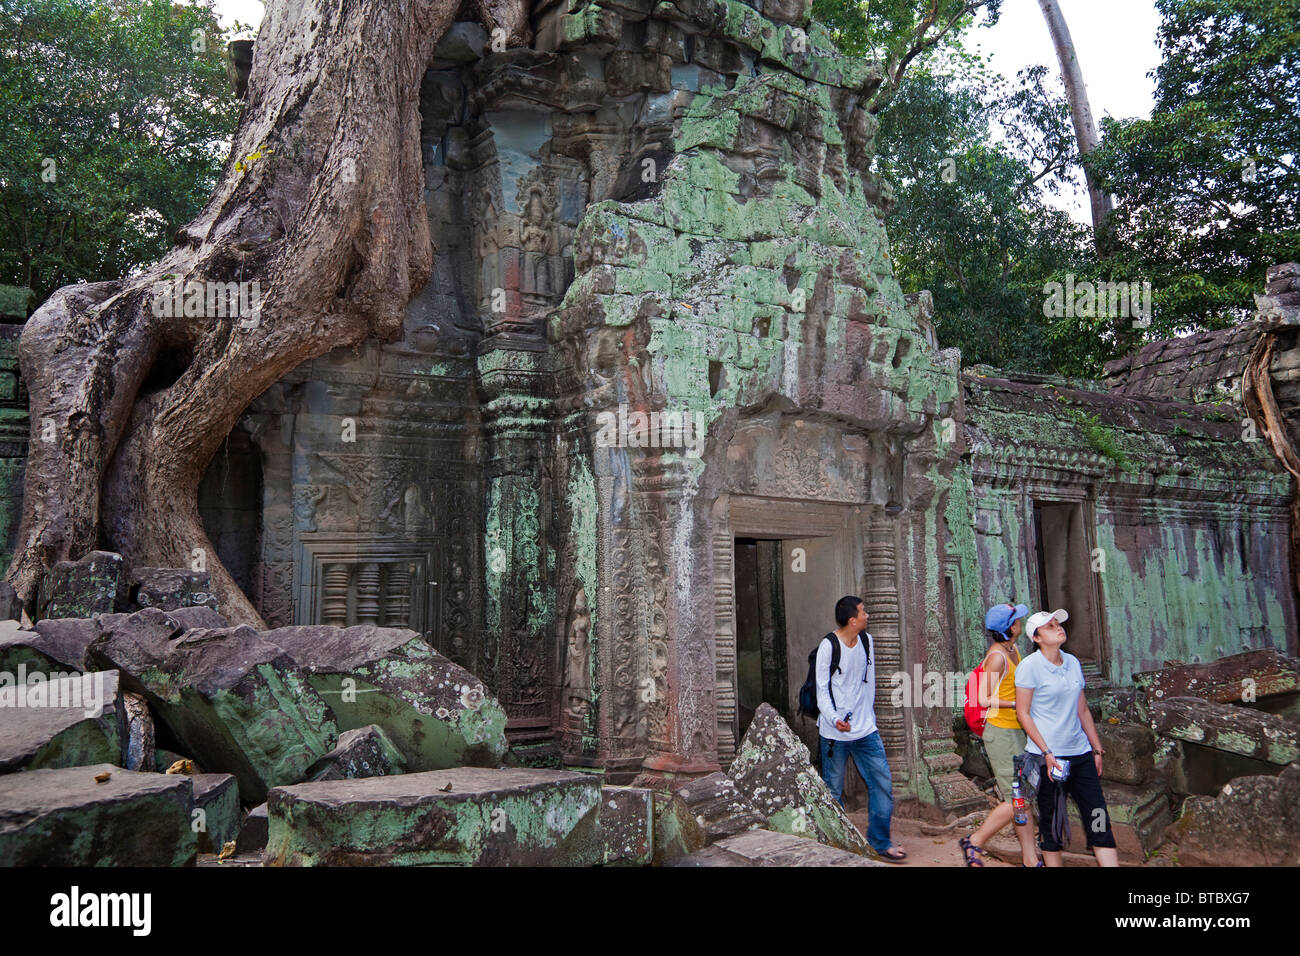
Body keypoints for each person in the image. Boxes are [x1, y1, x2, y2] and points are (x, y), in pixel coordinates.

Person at [1014, 609, 1119, 867]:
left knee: (1097, 814)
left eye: (1057, 623)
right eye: (1049, 626)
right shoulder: (1030, 667)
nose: (1058, 627)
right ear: (1036, 637)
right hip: (1047, 758)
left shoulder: (1072, 662)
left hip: (1080, 754)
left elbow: (1081, 709)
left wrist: (1096, 749)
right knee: (1051, 822)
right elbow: (1023, 713)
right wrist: (1047, 752)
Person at [815, 595, 906, 862]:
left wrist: (868, 718)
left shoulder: (867, 640)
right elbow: (822, 689)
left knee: (882, 783)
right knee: (833, 790)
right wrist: (834, 719)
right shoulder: (828, 646)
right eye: (863, 612)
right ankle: (838, 844)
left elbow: (868, 683)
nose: (867, 616)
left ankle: (880, 842)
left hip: (866, 730)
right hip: (834, 733)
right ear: (852, 619)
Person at [959, 602, 1040, 867]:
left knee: (1022, 800)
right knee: (1017, 798)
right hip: (1001, 733)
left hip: (1016, 730)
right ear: (1011, 627)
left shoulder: (1013, 649)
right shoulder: (997, 657)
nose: (1020, 622)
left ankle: (1030, 859)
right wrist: (1018, 704)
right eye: (1017, 619)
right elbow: (984, 697)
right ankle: (975, 840)